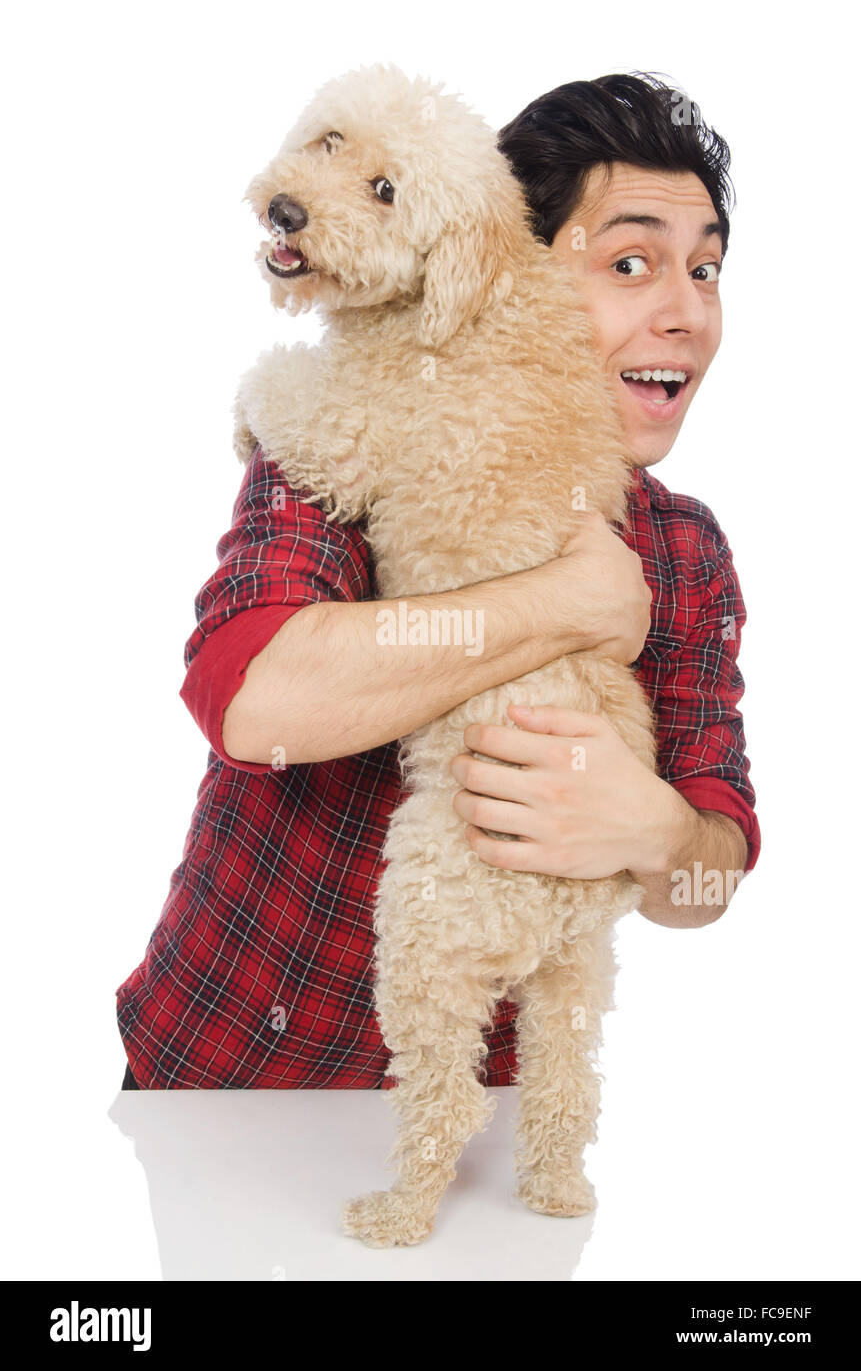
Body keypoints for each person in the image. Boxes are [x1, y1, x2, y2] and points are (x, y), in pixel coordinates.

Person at [116, 72, 758, 1091]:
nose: (687, 312)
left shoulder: (683, 552)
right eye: (632, 263)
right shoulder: (343, 432)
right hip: (224, 1081)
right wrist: (561, 607)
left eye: (709, 270)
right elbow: (251, 702)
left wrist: (657, 828)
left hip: (472, 1121)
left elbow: (712, 876)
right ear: (511, 275)